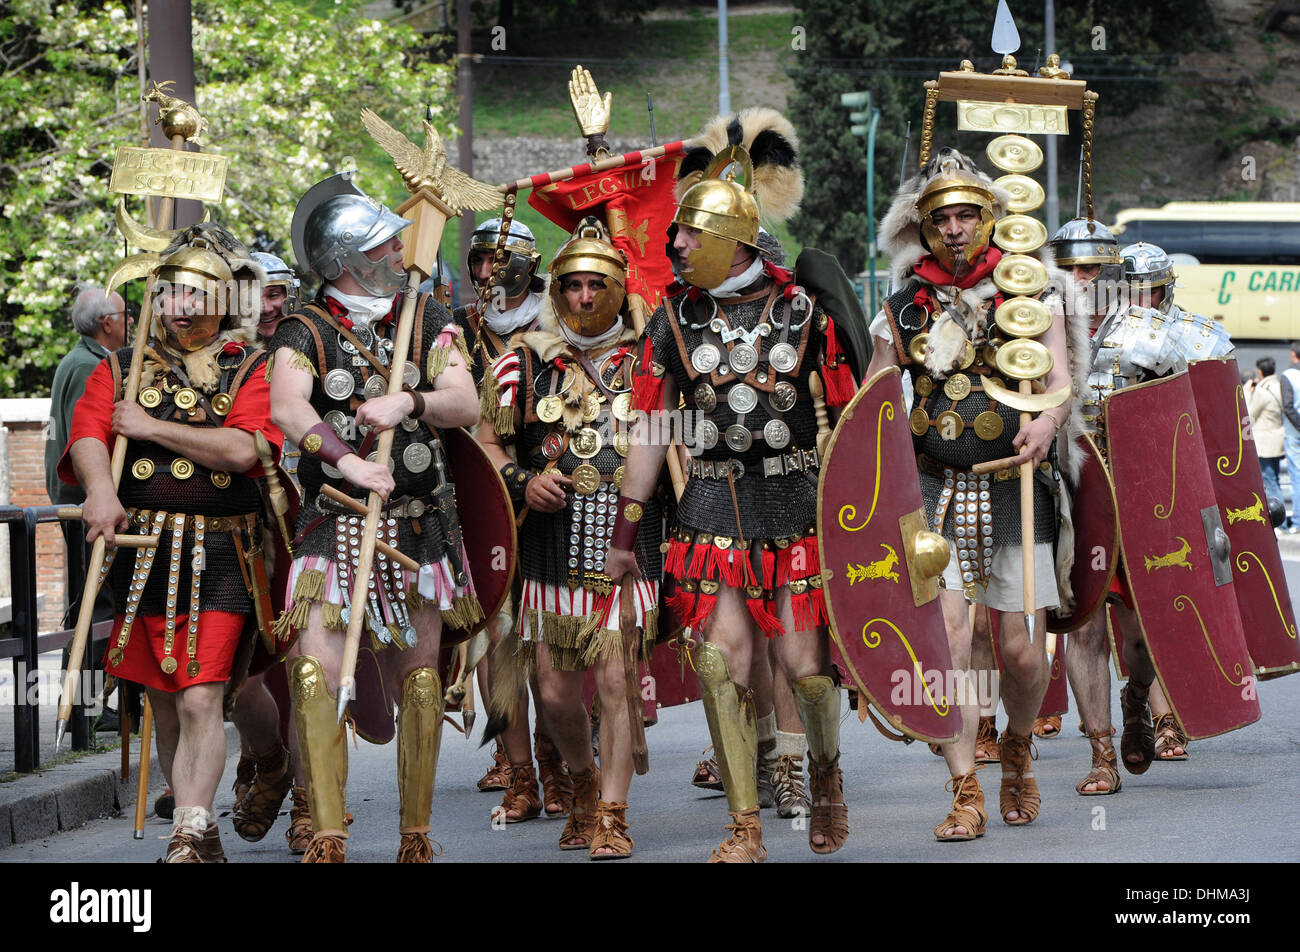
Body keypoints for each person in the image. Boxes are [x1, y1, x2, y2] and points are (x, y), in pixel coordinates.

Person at [608, 109, 855, 862]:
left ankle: (824, 773)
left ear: (727, 242)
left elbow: (851, 417)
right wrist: (626, 530)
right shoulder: (671, 322)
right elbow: (655, 429)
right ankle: (744, 826)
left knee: (805, 668)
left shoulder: (806, 311)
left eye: (685, 235)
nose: (672, 244)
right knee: (722, 662)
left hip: (796, 507)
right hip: (710, 507)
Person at [866, 149, 1083, 839]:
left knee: (1021, 652)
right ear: (923, 227)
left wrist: (1047, 423)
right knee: (949, 645)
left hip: (1017, 487)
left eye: (967, 215)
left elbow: (1060, 380)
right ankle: (965, 789)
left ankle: (1016, 744)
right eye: (942, 219)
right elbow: (875, 400)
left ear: (989, 217)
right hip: (936, 494)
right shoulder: (903, 307)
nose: (955, 229)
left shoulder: (1032, 292)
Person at [268, 179, 482, 863]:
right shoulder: (305, 329)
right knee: (313, 675)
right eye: (383, 243)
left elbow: (465, 402)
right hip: (334, 522)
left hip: (418, 523)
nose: (399, 250)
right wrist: (347, 462)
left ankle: (415, 835)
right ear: (348, 260)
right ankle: (328, 833)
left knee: (419, 680)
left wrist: (410, 403)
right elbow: (289, 409)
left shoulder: (428, 315)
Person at [58, 224, 283, 862]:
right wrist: (101, 492)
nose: (181, 306)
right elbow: (88, 436)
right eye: (171, 293)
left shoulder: (249, 366)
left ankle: (188, 827)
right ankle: (200, 830)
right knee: (162, 697)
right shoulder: (121, 367)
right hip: (144, 550)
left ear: (219, 300)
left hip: (221, 551)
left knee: (202, 693)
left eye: (195, 294)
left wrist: (152, 426)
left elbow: (245, 448)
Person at [478, 217, 660, 858]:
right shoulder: (522, 361)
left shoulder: (650, 358)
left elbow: (673, 440)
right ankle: (581, 782)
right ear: (556, 290)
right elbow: (485, 438)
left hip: (627, 546)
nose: (585, 297)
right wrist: (520, 480)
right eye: (574, 285)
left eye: (596, 285)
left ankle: (611, 812)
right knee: (555, 692)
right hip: (551, 549)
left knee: (613, 683)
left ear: (617, 286)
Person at [454, 219, 572, 819]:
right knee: (495, 639)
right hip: (483, 500)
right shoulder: (455, 330)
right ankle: (519, 772)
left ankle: (560, 767)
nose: (486, 274)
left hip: (555, 498)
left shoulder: (559, 321)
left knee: (554, 643)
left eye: (497, 262)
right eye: (478, 262)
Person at [226, 249, 304, 849]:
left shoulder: (311, 348)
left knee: (308, 669)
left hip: (308, 526)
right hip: (235, 527)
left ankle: (311, 799)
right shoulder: (219, 362)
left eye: (278, 294)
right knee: (240, 676)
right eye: (258, 296)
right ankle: (265, 759)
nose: (269, 307)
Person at [47, 286, 130, 732]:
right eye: (126, 313)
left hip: (79, 500)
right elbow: (87, 439)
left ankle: (87, 707)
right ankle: (90, 710)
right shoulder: (90, 367)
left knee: (91, 598)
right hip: (86, 501)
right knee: (96, 600)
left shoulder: (79, 360)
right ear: (107, 323)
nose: (130, 320)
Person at [1246, 356, 1285, 523]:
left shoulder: (1261, 391)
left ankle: (1278, 519)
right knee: (1275, 477)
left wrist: (1247, 394)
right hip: (1277, 438)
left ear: (1260, 371)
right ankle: (1283, 517)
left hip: (1265, 441)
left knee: (1270, 480)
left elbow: (1248, 413)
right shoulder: (1278, 385)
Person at [1279, 343, 1300, 532]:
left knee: (1297, 477)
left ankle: (1298, 521)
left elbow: (1288, 406)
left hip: (1294, 433)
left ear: (1294, 355)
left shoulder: (1288, 376)